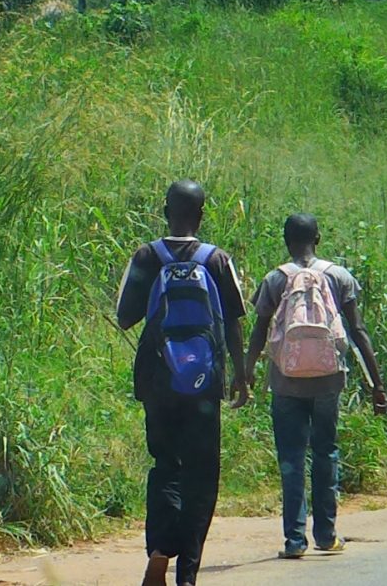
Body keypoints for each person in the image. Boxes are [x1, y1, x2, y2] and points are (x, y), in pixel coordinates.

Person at [117, 181, 248, 586]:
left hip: (159, 383)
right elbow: (233, 323)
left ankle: (158, 551)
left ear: (164, 210)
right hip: (205, 386)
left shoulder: (147, 256)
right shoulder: (217, 260)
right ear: (202, 214)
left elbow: (125, 317)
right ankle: (188, 573)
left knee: (166, 468)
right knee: (201, 476)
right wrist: (241, 375)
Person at [241, 213, 387, 560]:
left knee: (291, 458)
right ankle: (327, 535)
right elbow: (357, 330)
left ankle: (294, 541)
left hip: (286, 380)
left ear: (285, 239)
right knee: (326, 452)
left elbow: (259, 331)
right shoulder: (338, 277)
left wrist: (246, 374)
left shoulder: (276, 278)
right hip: (328, 379)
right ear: (318, 238)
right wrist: (376, 383)